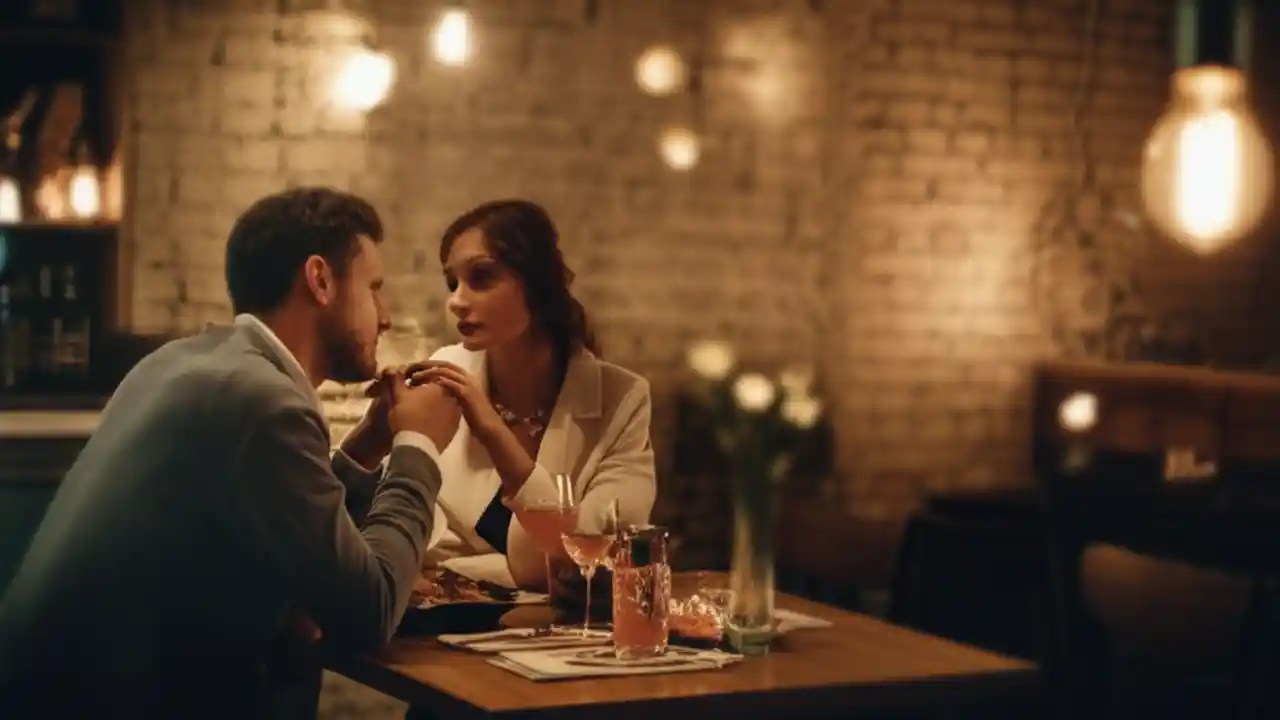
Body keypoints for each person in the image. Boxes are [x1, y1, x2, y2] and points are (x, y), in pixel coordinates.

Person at [0, 187, 460, 718]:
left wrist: (369, 443)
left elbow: (297, 532)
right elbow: (371, 608)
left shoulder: (182, 363)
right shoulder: (264, 402)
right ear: (321, 280)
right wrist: (418, 446)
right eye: (374, 289)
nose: (384, 315)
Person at [406, 199, 657, 590]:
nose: (456, 300)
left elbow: (587, 554)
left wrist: (495, 432)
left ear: (537, 285)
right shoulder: (444, 378)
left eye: (481, 277)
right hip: (445, 627)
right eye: (452, 283)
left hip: (563, 637)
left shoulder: (620, 398)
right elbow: (407, 534)